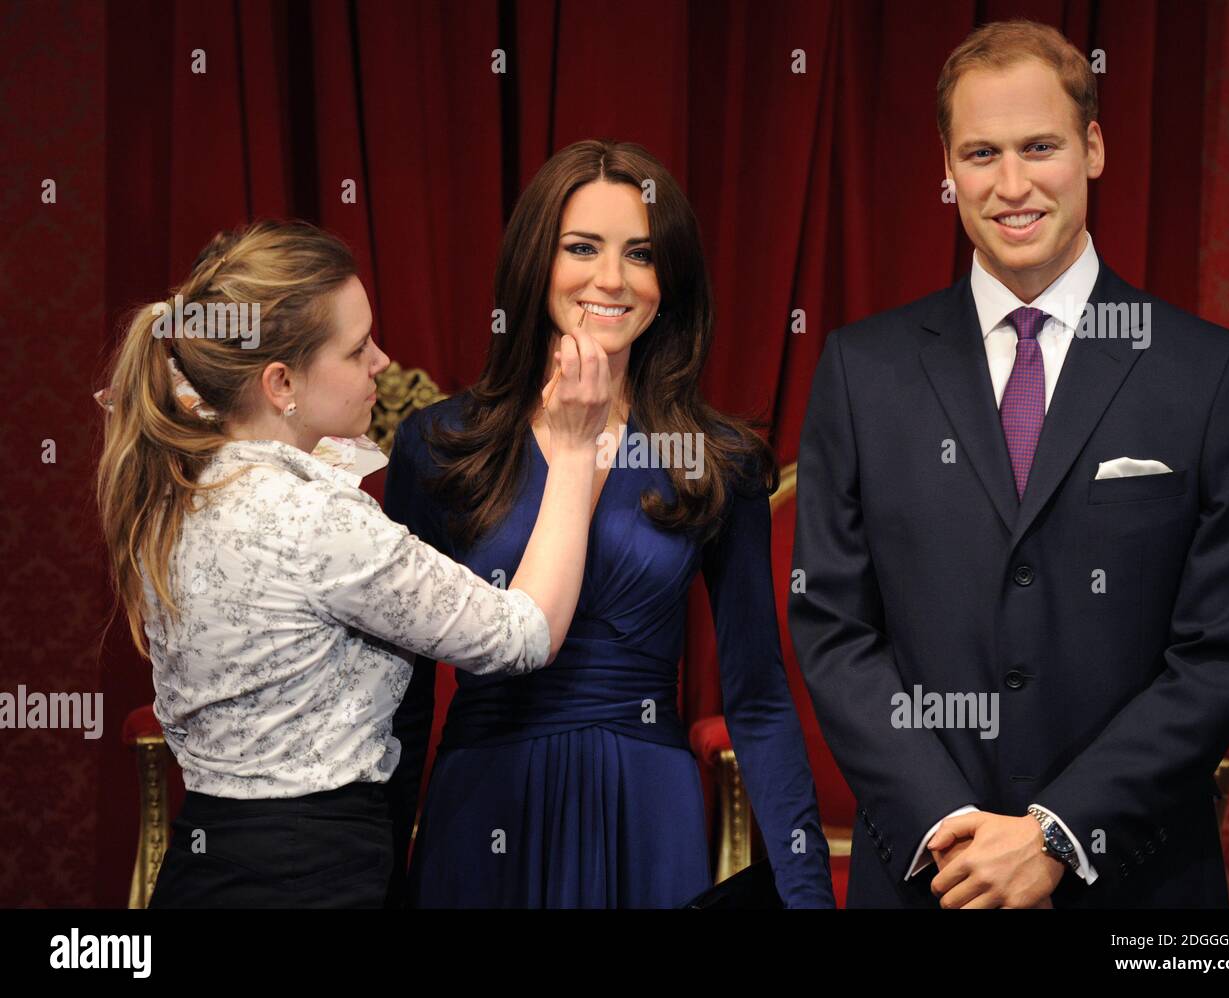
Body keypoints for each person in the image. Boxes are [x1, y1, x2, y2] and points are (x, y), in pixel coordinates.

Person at [789, 19, 1229, 908]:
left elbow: (1215, 659)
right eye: (981, 153)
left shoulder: (1214, 377)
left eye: (1040, 147)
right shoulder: (861, 372)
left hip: (1140, 890)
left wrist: (1059, 835)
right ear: (946, 168)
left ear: (1093, 148)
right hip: (924, 879)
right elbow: (833, 631)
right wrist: (953, 830)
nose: (1011, 185)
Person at [95, 218, 610, 907]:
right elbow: (523, 635)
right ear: (280, 381)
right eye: (356, 347)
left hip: (206, 866)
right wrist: (576, 452)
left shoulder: (177, 488)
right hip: (313, 879)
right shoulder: (318, 521)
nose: (381, 361)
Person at [384, 140, 835, 908]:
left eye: (642, 254)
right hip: (483, 807)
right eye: (582, 248)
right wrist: (377, 880)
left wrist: (806, 893)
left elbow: (756, 696)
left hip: (645, 812)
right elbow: (401, 694)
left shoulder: (714, 459)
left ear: (670, 279)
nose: (611, 280)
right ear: (535, 260)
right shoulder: (438, 443)